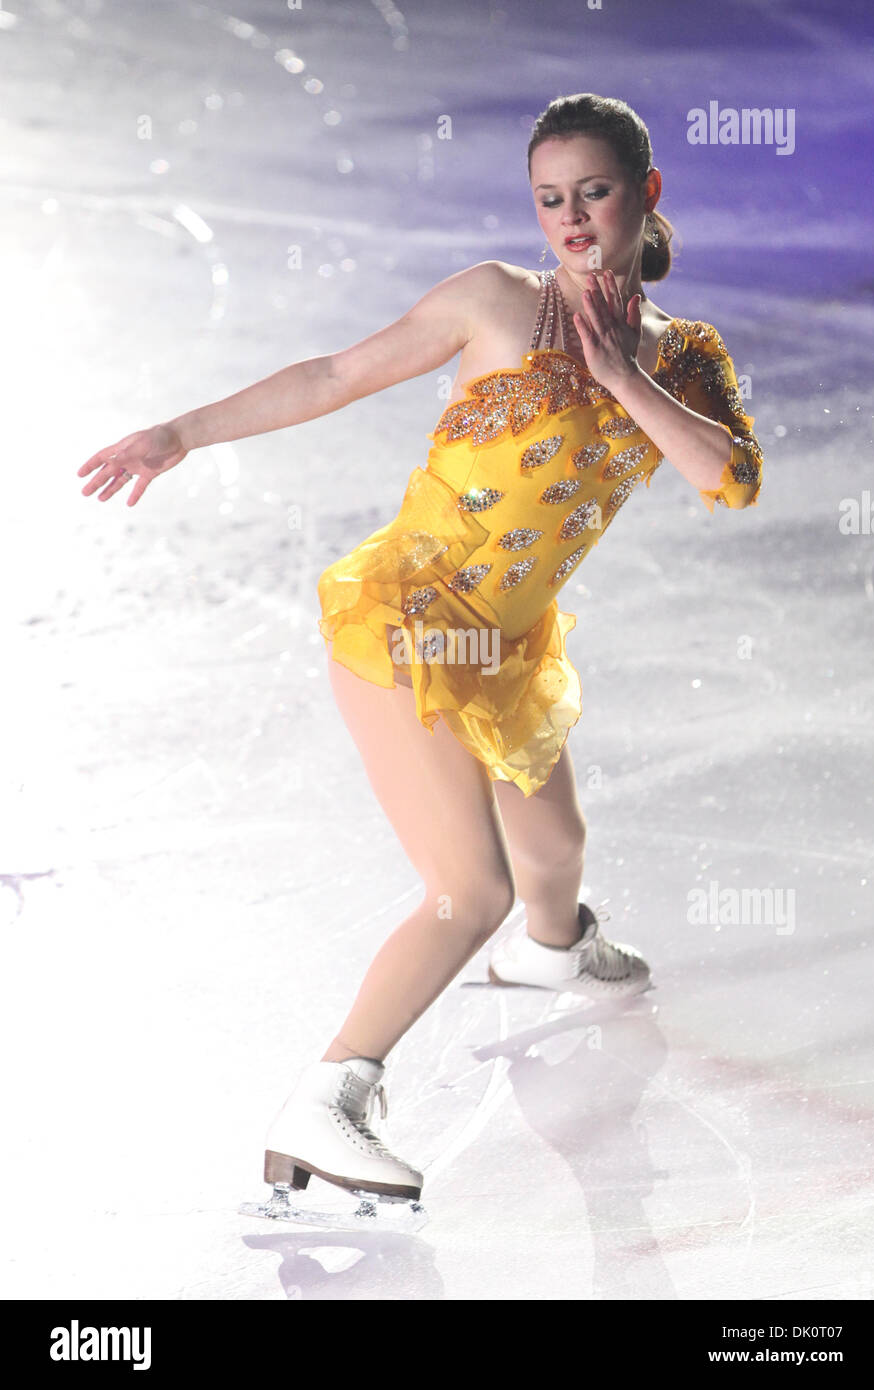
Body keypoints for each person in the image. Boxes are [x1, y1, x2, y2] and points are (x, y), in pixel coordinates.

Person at [77, 94, 763, 1209]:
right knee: (468, 889)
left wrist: (622, 377)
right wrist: (181, 433)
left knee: (553, 861)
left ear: (645, 193)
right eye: (550, 198)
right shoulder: (496, 302)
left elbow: (729, 480)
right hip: (407, 624)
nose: (571, 217)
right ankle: (326, 1100)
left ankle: (550, 953)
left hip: (503, 640)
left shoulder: (682, 361)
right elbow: (335, 375)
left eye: (593, 191)